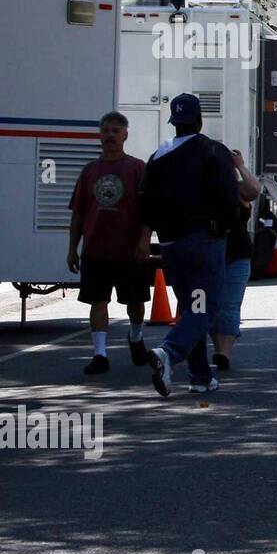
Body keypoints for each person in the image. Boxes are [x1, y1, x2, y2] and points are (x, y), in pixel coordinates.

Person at [139, 94, 240, 396]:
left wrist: (149, 235)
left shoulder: (157, 157)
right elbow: (228, 195)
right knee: (206, 308)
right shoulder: (212, 151)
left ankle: (200, 376)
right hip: (203, 241)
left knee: (192, 306)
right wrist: (222, 228)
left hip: (171, 244)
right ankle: (168, 353)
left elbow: (145, 201)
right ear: (199, 121)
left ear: (174, 123)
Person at [67, 112, 152, 376]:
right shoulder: (90, 171)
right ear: (100, 135)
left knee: (135, 302)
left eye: (115, 131)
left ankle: (136, 337)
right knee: (98, 300)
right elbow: (78, 212)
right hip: (96, 249)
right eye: (105, 131)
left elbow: (149, 210)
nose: (110, 135)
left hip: (129, 250)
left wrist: (144, 241)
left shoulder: (138, 168)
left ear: (125, 135)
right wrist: (73, 248)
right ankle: (100, 354)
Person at [210, 149, 262, 372]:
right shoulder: (206, 190)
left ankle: (222, 353)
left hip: (236, 255)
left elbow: (255, 189)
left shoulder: (238, 190)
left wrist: (241, 165)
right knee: (217, 306)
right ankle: (221, 350)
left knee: (227, 305)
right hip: (213, 255)